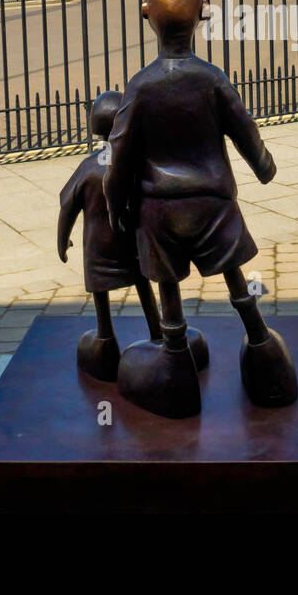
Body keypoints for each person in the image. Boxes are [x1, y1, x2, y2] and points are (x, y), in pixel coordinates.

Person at [103, 0, 297, 418]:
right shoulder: (211, 78)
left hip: (160, 210)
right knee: (237, 283)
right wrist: (264, 167)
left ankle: (174, 360)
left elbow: (120, 153)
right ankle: (263, 349)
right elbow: (244, 128)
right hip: (213, 204)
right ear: (202, 15)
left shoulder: (141, 86)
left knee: (167, 287)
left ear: (147, 17)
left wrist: (116, 204)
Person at [57, 90, 208, 382]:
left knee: (101, 294)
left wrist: (62, 241)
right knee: (143, 285)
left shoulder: (89, 167)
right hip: (133, 244)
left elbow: (67, 204)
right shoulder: (134, 166)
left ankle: (105, 341)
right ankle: (157, 333)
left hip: (96, 251)